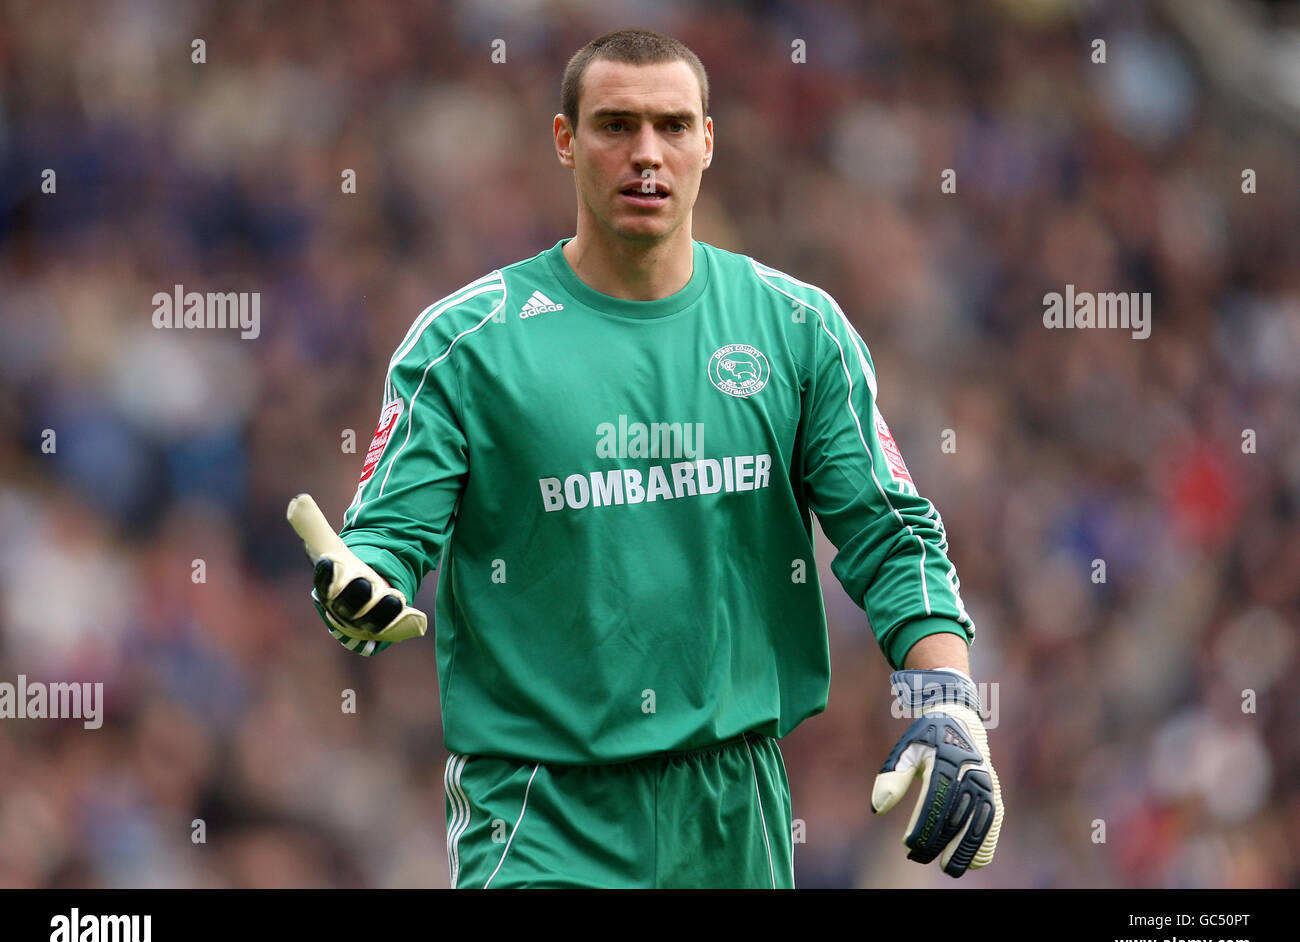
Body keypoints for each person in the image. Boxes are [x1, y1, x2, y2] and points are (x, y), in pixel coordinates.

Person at [287, 27, 1002, 888]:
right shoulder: (465, 343)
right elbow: (384, 549)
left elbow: (892, 538)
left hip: (736, 808)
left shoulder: (798, 329)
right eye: (615, 125)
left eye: (671, 126)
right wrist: (358, 590)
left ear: (709, 141)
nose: (645, 155)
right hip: (541, 807)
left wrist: (949, 704)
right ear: (565, 140)